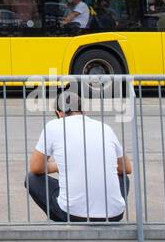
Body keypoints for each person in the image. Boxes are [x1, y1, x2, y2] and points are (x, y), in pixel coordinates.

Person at [27, 87, 132, 222]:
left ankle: (65, 221)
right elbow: (126, 168)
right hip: (114, 215)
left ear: (59, 113)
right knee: (122, 177)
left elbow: (35, 168)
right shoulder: (105, 128)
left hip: (74, 214)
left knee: (31, 178)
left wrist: (59, 166)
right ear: (83, 111)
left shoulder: (54, 126)